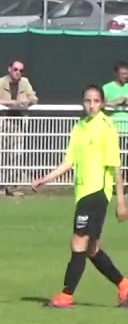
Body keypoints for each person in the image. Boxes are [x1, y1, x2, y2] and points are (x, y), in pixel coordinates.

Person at [31, 85, 128, 308]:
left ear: (102, 103)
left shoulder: (106, 126)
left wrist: (121, 201)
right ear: (83, 102)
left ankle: (67, 294)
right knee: (92, 248)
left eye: (96, 101)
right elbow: (69, 161)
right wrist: (45, 179)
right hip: (83, 194)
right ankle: (123, 285)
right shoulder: (79, 128)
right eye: (88, 101)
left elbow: (115, 166)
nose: (91, 105)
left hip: (97, 193)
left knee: (78, 242)